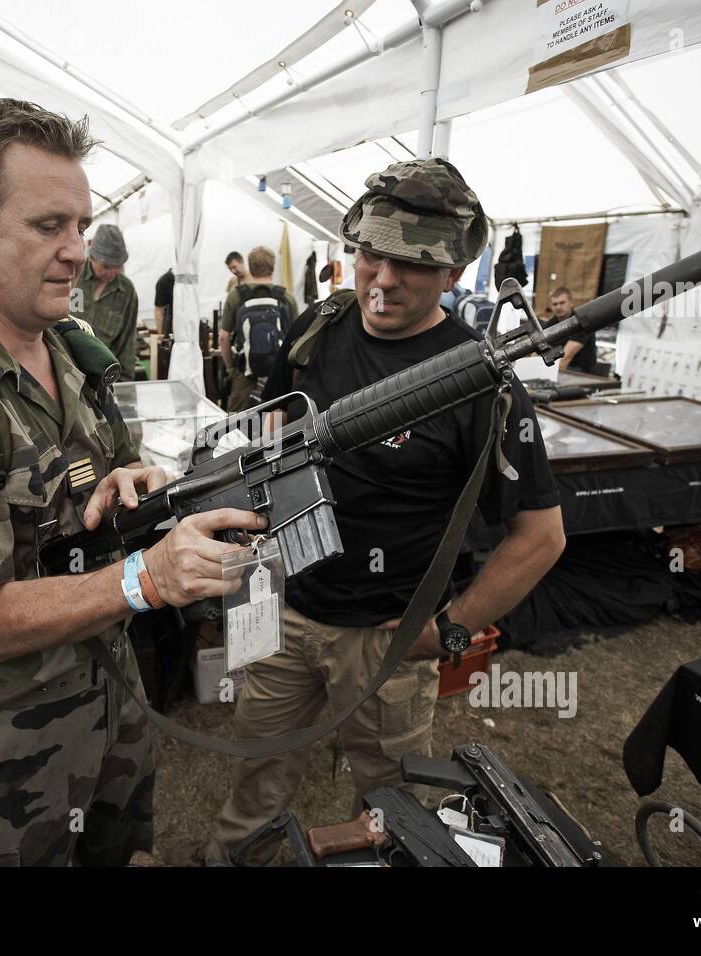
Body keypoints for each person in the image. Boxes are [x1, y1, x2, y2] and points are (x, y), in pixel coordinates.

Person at [0, 97, 264, 867]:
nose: (76, 250)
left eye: (80, 226)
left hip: (113, 702)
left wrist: (134, 490)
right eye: (49, 226)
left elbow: (94, 490)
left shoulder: (72, 354)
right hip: (7, 751)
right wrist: (148, 577)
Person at [201, 158, 566, 864]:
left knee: (395, 809)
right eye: (371, 255)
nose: (384, 279)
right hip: (287, 613)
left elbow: (540, 535)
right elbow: (268, 438)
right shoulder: (318, 329)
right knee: (256, 777)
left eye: (412, 265)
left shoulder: (478, 379)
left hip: (388, 637)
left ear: (454, 274)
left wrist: (452, 632)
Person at [218, 246, 298, 412]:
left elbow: (223, 337)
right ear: (273, 267)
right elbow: (298, 338)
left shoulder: (236, 296)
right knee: (276, 424)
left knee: (236, 426)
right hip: (278, 374)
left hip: (244, 373)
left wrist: (231, 369)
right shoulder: (286, 297)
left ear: (250, 266)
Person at [73, 224, 137, 381]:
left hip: (102, 378)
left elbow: (127, 343)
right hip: (67, 371)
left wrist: (124, 384)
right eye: (106, 266)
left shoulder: (126, 291)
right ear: (91, 256)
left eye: (118, 267)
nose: (112, 273)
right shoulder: (73, 276)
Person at [547, 286, 596, 373]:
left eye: (562, 303)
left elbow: (567, 356)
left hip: (582, 373)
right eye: (555, 304)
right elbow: (537, 349)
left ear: (571, 303)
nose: (558, 307)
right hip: (559, 368)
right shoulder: (551, 323)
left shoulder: (582, 321)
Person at [154, 266, 174, 335]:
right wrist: (161, 335)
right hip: (171, 327)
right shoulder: (164, 282)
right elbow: (159, 310)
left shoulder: (190, 280)